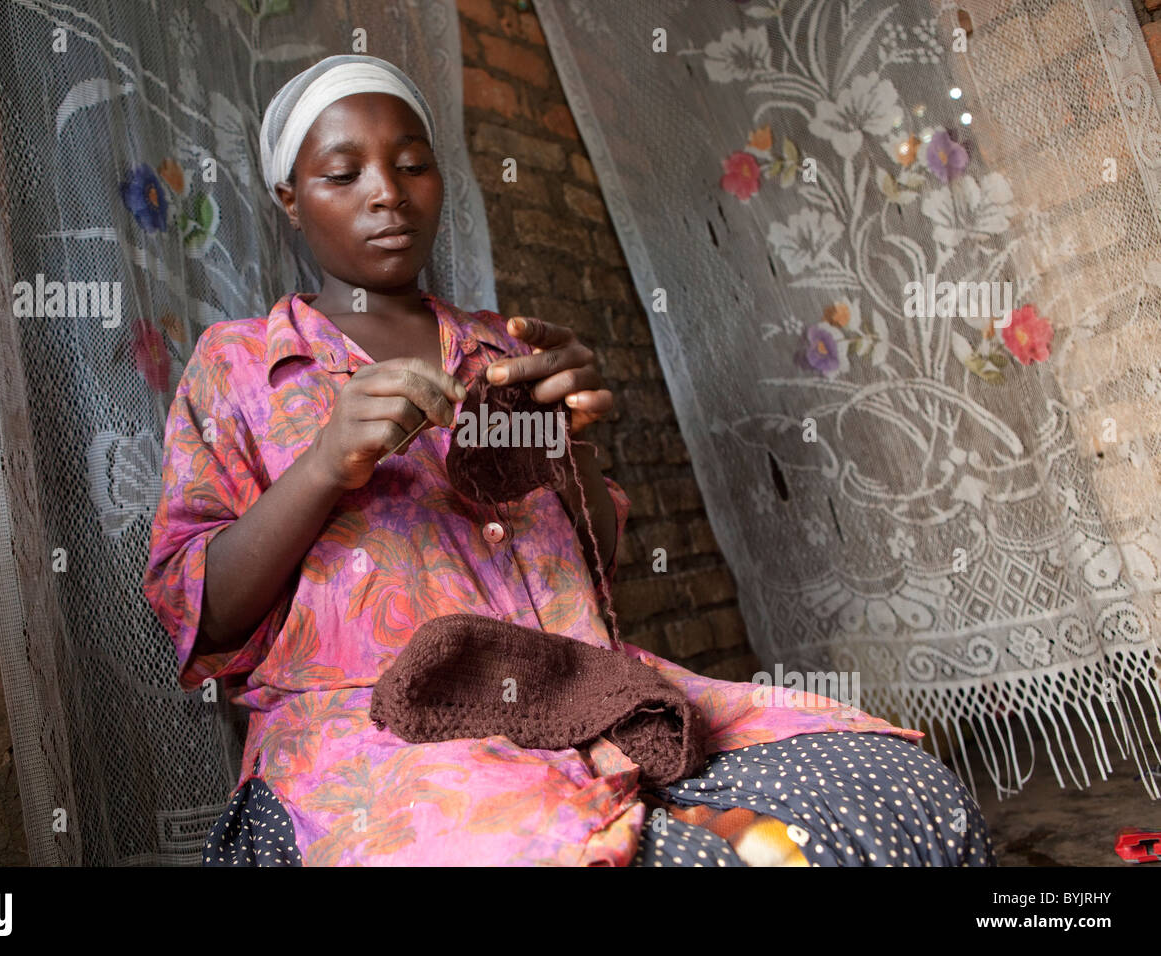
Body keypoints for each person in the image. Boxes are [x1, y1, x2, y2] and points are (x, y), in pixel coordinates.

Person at [142, 54, 994, 867]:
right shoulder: (243, 366)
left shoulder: (498, 351)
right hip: (374, 727)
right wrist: (325, 462)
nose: (386, 195)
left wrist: (571, 444)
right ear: (291, 199)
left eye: (411, 166)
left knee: (899, 791)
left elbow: (583, 565)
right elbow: (200, 616)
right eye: (343, 175)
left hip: (573, 687)